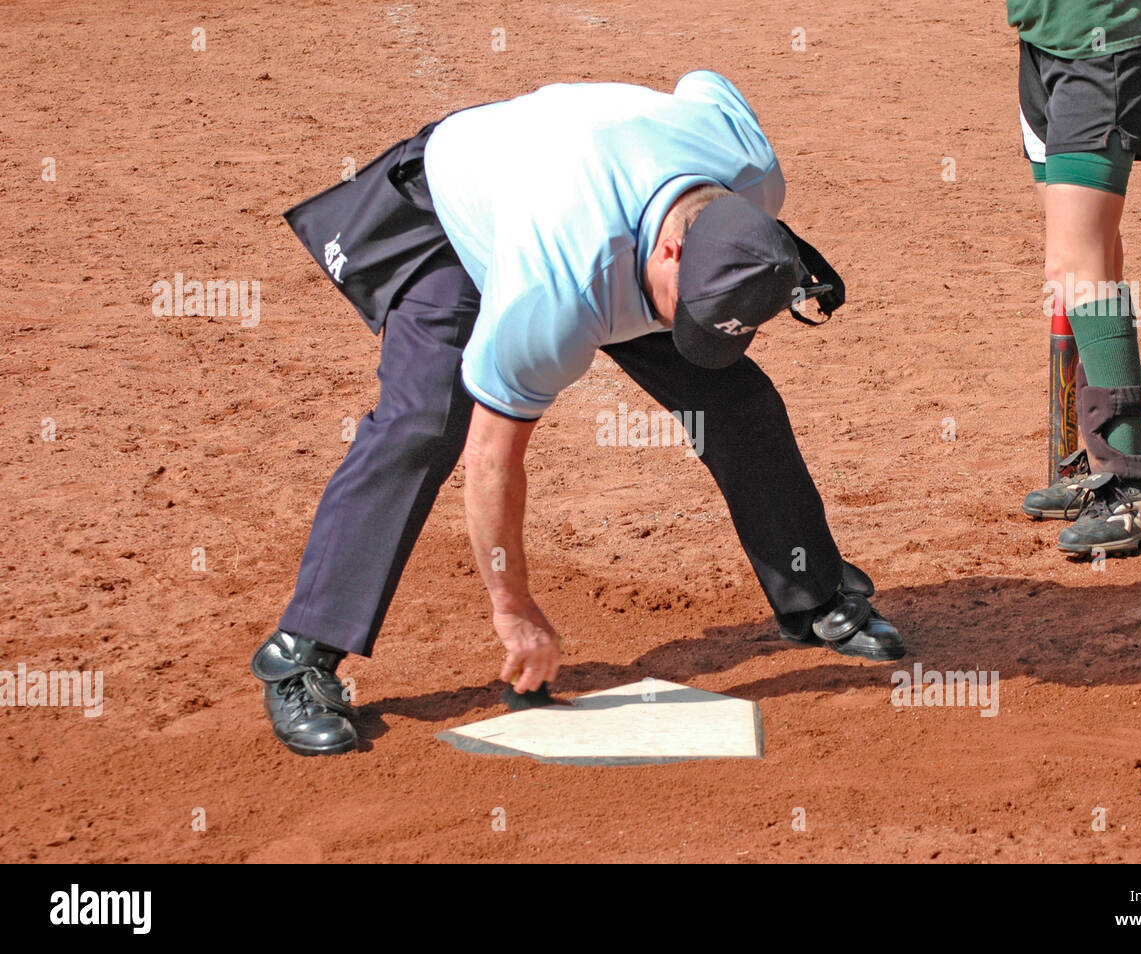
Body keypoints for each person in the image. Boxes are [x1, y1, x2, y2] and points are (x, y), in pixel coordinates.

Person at [250, 71, 906, 757]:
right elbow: (491, 455)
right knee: (426, 424)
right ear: (671, 250)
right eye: (685, 312)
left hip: (602, 198)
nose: (686, 330)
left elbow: (703, 84)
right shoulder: (557, 282)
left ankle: (815, 596)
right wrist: (514, 608)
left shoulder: (751, 172)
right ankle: (299, 652)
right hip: (461, 212)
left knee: (736, 399)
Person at [1010, 1, 1141, 554]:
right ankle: (1105, 454)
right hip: (1043, 42)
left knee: (1071, 263)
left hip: (1100, 53)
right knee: (1091, 252)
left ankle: (1131, 487)